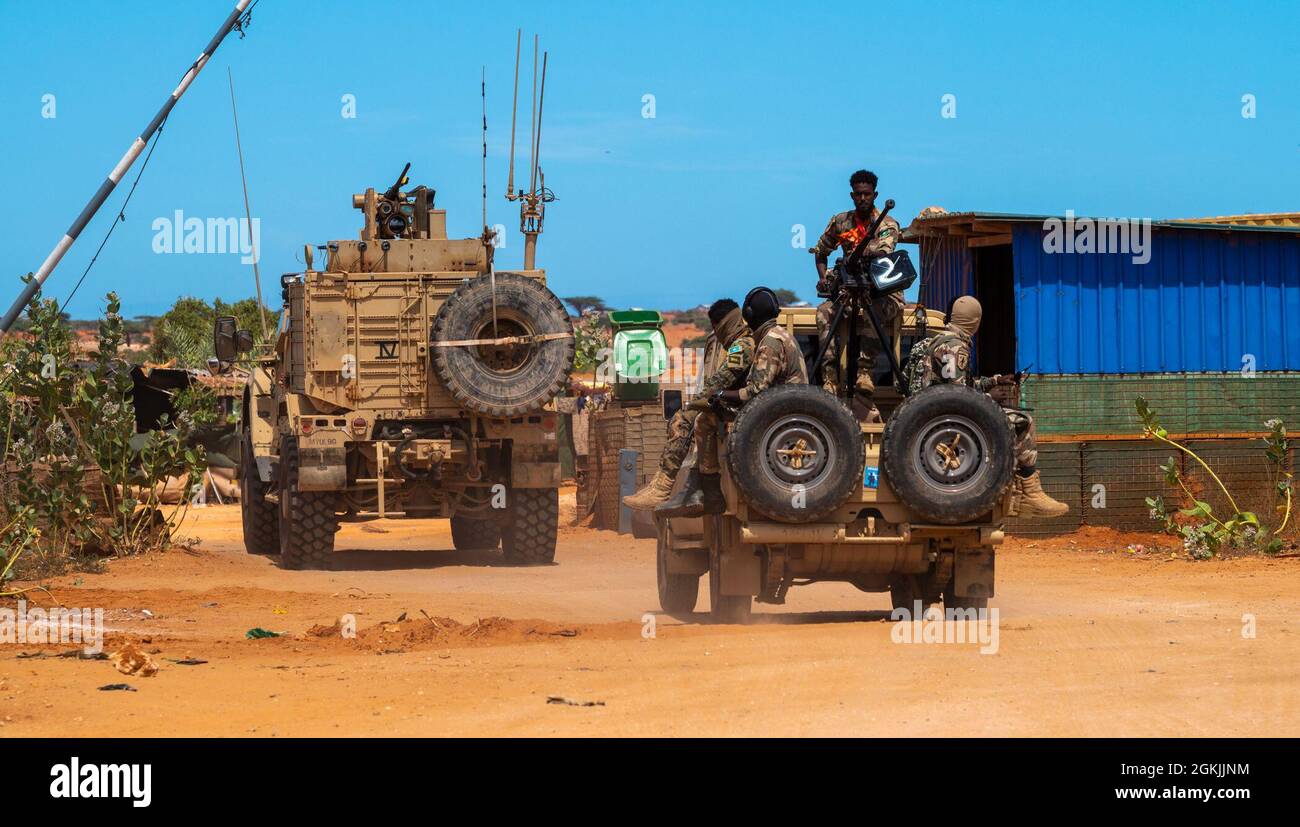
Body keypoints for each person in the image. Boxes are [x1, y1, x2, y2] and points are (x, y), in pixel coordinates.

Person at [904, 295, 1069, 518]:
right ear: (976, 322)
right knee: (1023, 423)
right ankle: (1029, 493)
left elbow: (939, 384)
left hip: (925, 417)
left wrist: (993, 381)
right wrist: (989, 398)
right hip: (947, 421)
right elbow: (957, 396)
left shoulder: (930, 343)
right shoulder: (955, 346)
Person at [658, 287, 808, 517]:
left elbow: (756, 391)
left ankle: (710, 494)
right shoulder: (780, 336)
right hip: (791, 415)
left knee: (705, 420)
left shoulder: (769, 342)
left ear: (750, 314)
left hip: (778, 418)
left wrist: (722, 396)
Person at [622, 299, 754, 511]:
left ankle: (663, 487)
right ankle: (704, 491)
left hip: (748, 409)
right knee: (701, 421)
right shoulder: (744, 342)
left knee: (683, 420)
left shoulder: (742, 345)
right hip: (748, 408)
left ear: (721, 325)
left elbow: (720, 380)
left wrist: (693, 405)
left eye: (715, 326)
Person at [810, 169, 903, 421]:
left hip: (881, 291)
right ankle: (829, 380)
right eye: (858, 194)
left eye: (867, 194)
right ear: (852, 195)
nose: (863, 198)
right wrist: (823, 277)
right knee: (823, 314)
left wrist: (859, 257)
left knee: (874, 310)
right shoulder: (841, 222)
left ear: (875, 194)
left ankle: (865, 372)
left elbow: (884, 253)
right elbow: (820, 252)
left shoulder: (887, 224)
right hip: (849, 290)